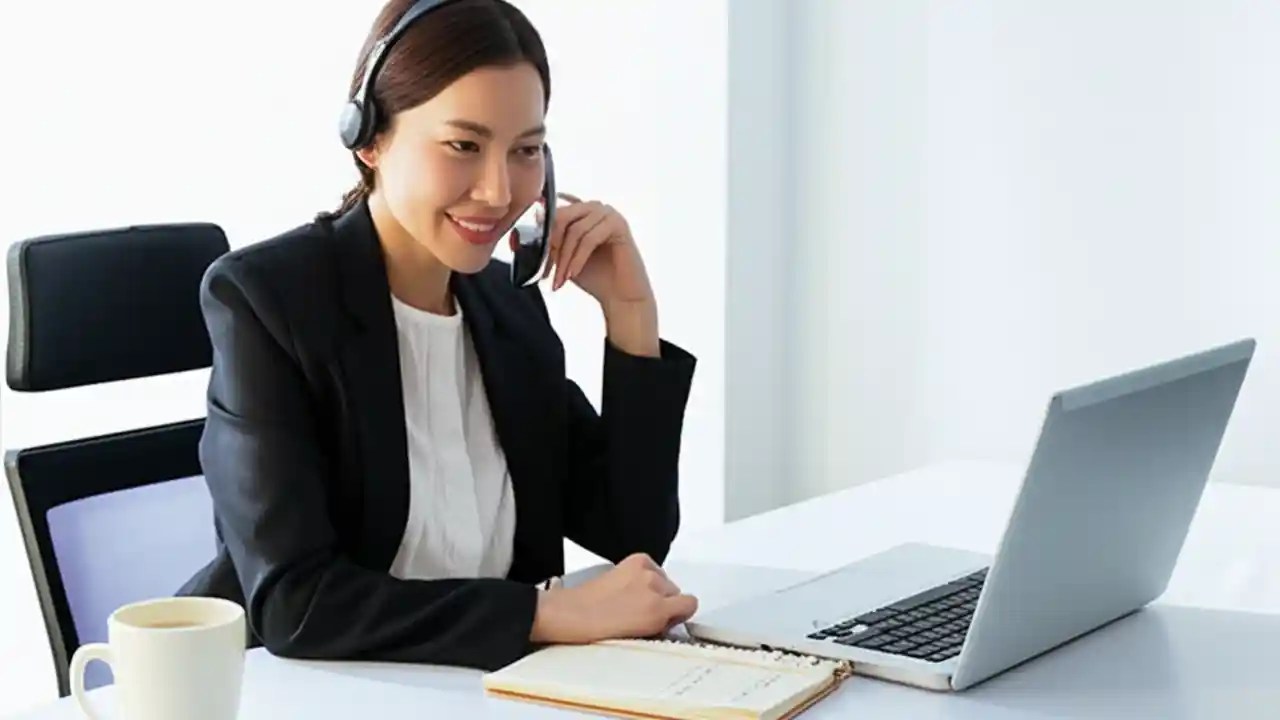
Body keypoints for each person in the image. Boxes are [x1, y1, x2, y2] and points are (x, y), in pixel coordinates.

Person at [179, 0, 699, 671]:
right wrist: (546, 613)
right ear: (369, 138)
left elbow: (634, 534)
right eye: (464, 146)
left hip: (490, 693)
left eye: (527, 151)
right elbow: (295, 603)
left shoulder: (504, 309)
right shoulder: (269, 301)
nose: (499, 190)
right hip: (312, 696)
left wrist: (631, 317)